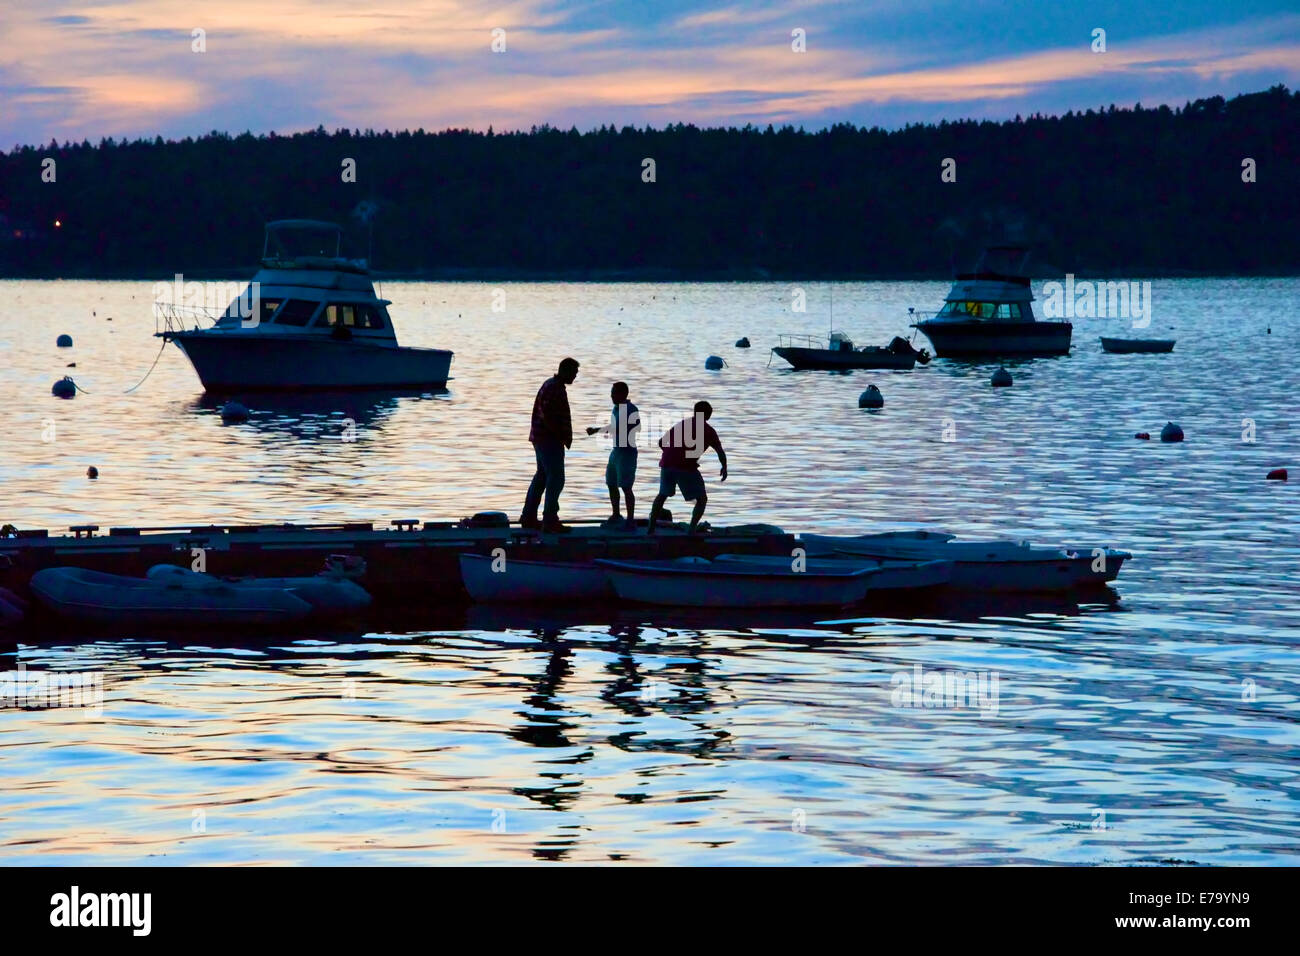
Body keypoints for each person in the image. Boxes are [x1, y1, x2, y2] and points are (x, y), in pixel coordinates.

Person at [647, 400, 727, 535]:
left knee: (662, 495)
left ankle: (651, 529)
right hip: (685, 467)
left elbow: (661, 442)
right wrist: (724, 467)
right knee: (702, 499)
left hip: (667, 464)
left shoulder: (682, 424)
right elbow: (720, 451)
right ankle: (691, 530)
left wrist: (670, 453)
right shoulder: (709, 431)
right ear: (708, 416)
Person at [521, 357, 579, 533]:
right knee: (556, 478)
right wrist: (560, 435)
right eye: (574, 373)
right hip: (549, 440)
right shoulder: (555, 388)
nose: (575, 377)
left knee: (542, 476)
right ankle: (550, 519)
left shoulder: (552, 385)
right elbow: (548, 416)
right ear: (565, 371)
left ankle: (529, 516)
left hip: (542, 438)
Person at [586, 381, 640, 529]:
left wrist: (599, 430)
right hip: (616, 451)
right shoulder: (616, 408)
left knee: (626, 487)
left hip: (627, 453)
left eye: (614, 392)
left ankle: (630, 520)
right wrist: (601, 431)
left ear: (623, 394)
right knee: (611, 483)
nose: (611, 395)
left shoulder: (631, 409)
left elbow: (631, 426)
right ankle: (616, 514)